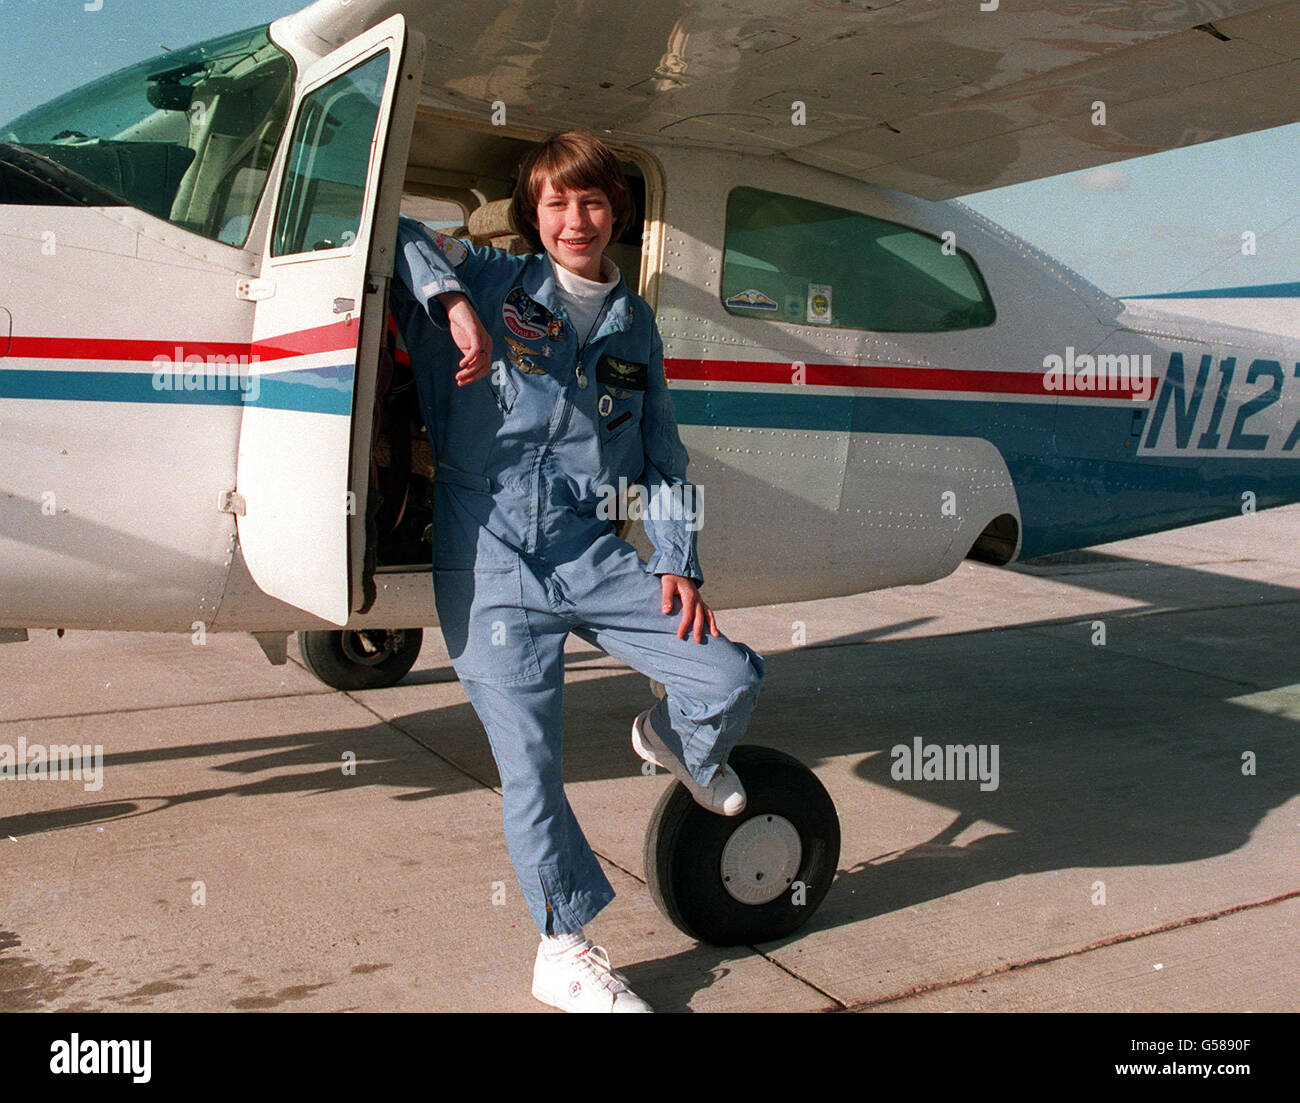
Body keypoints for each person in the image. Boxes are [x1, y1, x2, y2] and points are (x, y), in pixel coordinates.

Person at [390, 131, 765, 1013]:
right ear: (535, 212)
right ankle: (561, 947)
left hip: (588, 548)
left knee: (727, 672)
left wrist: (678, 561)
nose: (574, 220)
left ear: (616, 213)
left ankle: (677, 739)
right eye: (556, 203)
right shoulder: (489, 278)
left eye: (591, 202)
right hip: (487, 553)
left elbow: (666, 460)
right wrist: (450, 304)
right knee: (530, 762)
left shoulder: (635, 326)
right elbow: (394, 228)